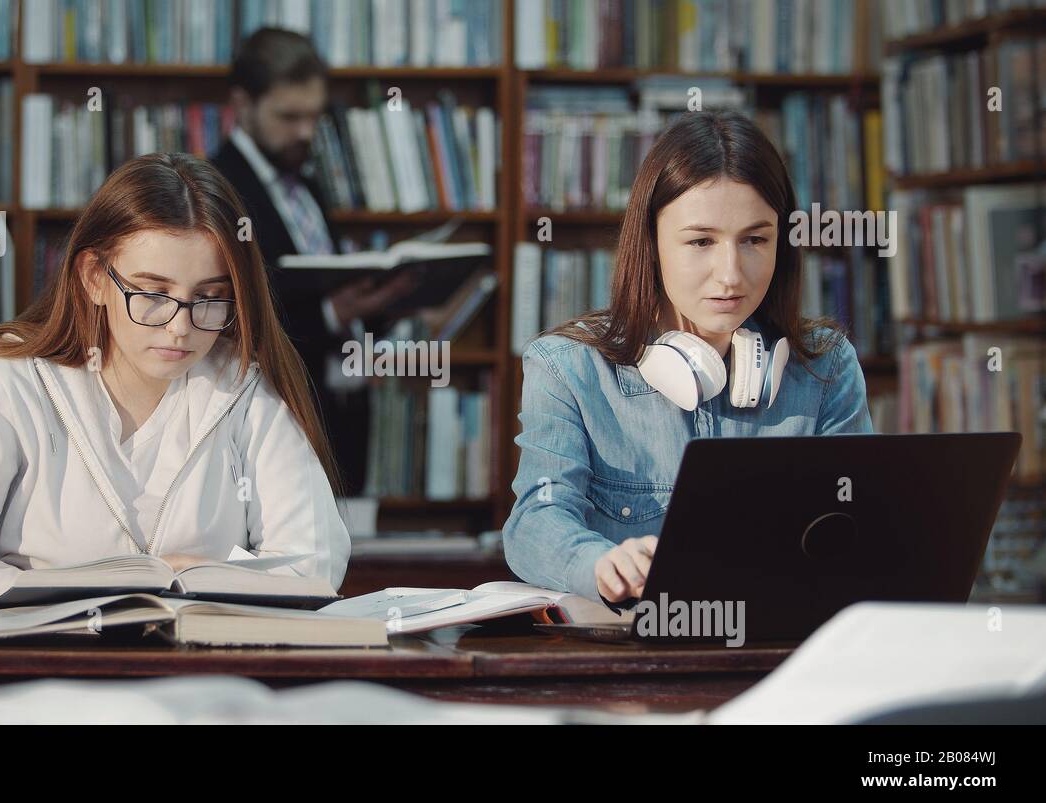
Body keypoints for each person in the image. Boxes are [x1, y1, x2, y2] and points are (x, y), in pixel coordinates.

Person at [0, 153, 349, 618]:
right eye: (151, 294)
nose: (180, 328)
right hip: (42, 679)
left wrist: (200, 580)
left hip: (199, 679)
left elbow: (314, 566)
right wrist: (118, 584)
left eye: (209, 297)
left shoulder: (246, 386)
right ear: (93, 278)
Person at [502, 111, 874, 607]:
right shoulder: (567, 367)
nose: (731, 275)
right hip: (636, 665)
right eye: (701, 241)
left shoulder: (826, 367)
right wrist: (597, 564)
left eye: (755, 240)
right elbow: (535, 519)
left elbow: (864, 527)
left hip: (781, 657)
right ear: (652, 244)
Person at [210, 27, 412, 495]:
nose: (305, 132)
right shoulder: (214, 190)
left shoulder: (309, 186)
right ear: (242, 105)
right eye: (289, 116)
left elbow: (321, 287)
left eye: (314, 117)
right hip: (271, 423)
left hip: (340, 422)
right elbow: (228, 315)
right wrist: (334, 313)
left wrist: (384, 301)